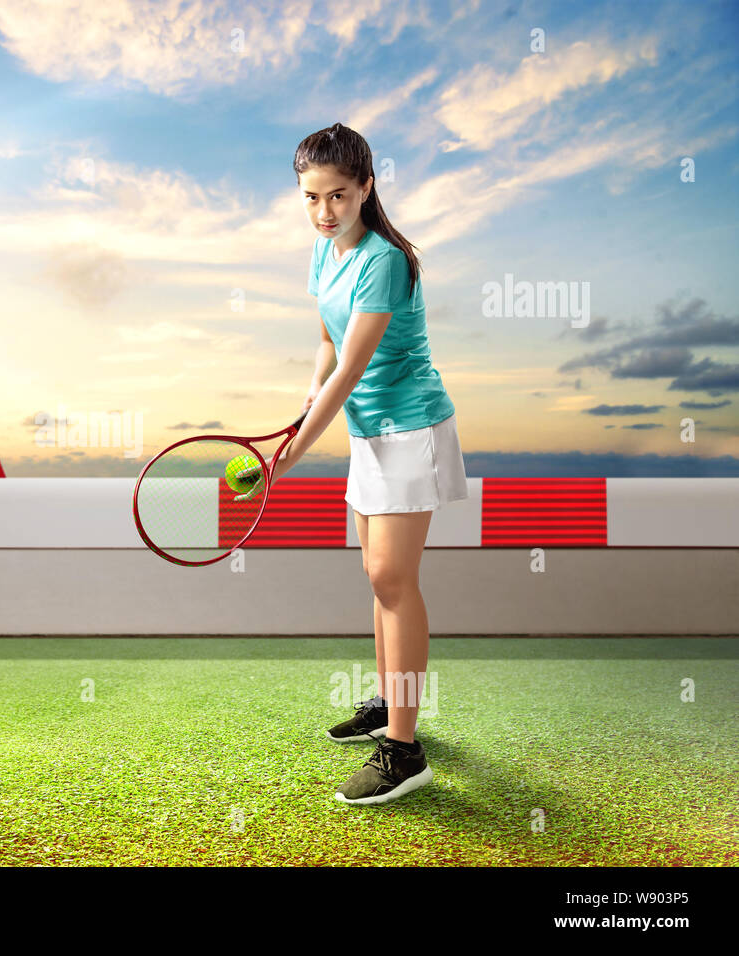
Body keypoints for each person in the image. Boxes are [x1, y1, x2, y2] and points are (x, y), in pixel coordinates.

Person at [258, 123, 468, 805]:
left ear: (367, 188)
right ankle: (389, 704)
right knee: (377, 581)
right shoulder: (323, 255)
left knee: (392, 577)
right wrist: (301, 409)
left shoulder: (384, 260)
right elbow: (326, 342)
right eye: (312, 198)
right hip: (366, 435)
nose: (325, 212)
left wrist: (293, 452)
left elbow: (352, 368)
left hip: (410, 429)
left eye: (339, 196)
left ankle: (405, 751)